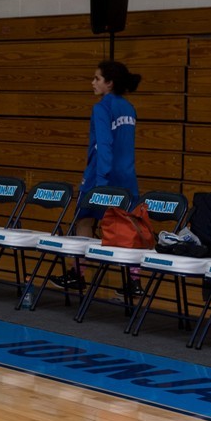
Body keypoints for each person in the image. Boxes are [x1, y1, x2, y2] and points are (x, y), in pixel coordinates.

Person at [50, 60, 142, 295]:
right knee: (129, 227)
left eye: (97, 79)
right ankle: (133, 282)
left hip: (100, 177)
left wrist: (101, 183)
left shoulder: (101, 108)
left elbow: (104, 145)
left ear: (109, 83)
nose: (93, 82)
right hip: (127, 177)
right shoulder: (129, 108)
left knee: (83, 221)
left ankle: (77, 274)